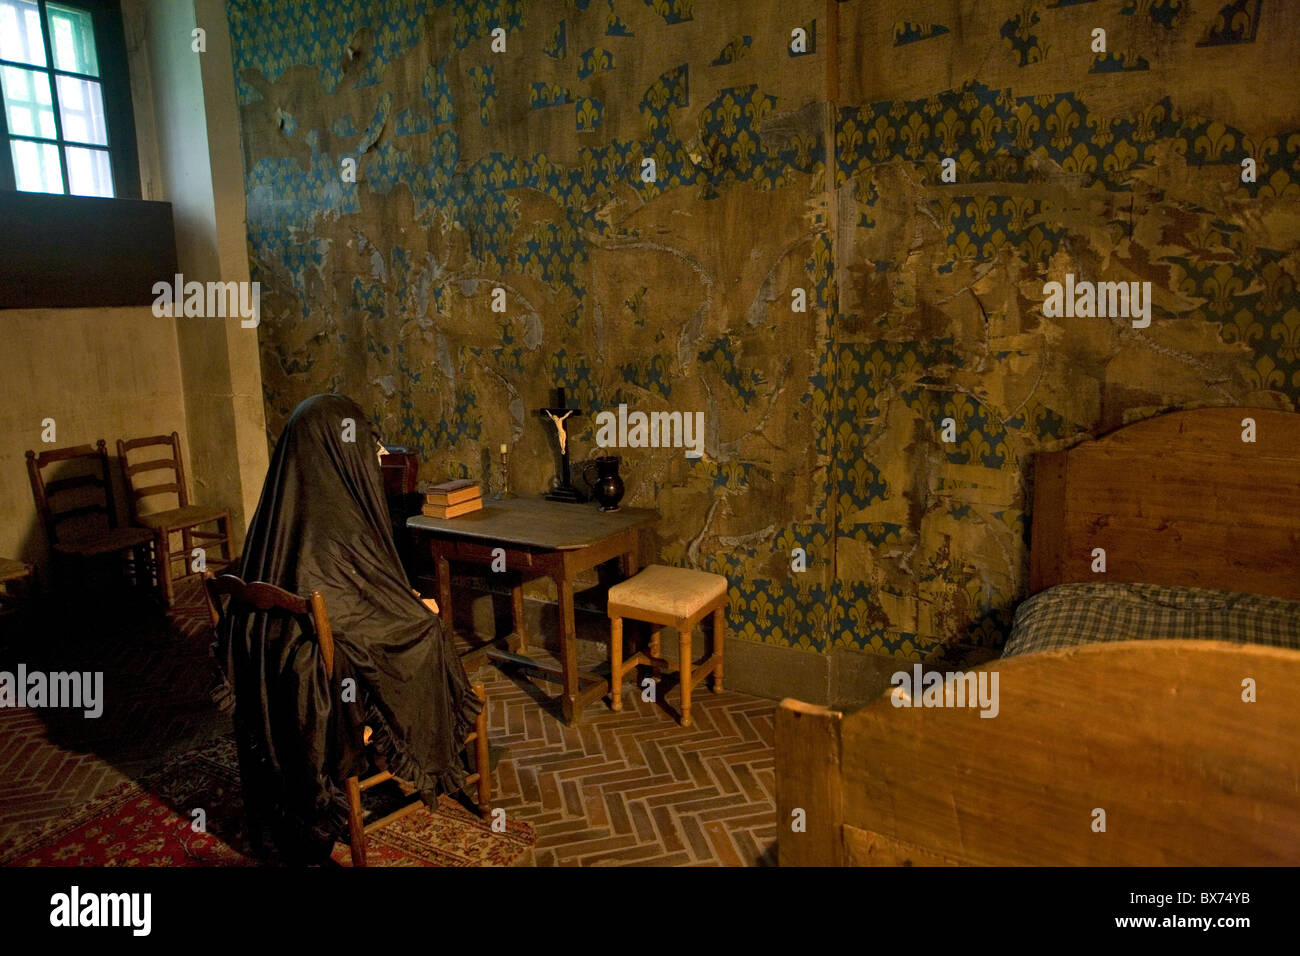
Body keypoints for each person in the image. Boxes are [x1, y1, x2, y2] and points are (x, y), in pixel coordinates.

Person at [213, 393, 481, 863]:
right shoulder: (337, 524)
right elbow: (355, 617)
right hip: (325, 686)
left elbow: (341, 600)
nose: (373, 454)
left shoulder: (275, 518)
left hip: (273, 678)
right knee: (428, 636)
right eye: (365, 442)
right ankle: (435, 760)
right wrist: (420, 614)